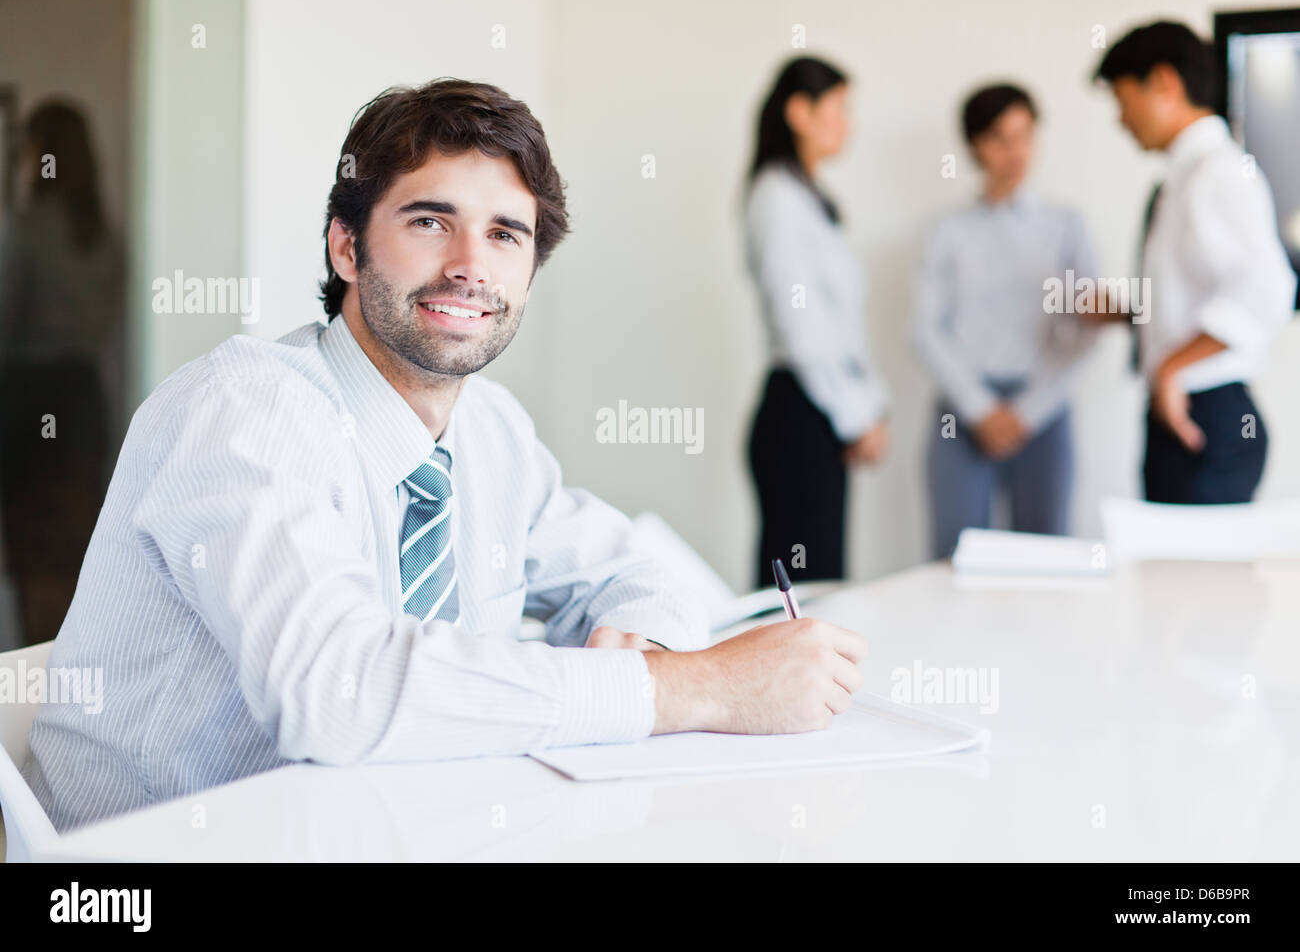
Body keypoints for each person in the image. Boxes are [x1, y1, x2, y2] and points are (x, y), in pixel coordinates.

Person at [22, 79, 867, 832]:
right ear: (346, 248)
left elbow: (642, 567)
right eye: (431, 222)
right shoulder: (247, 410)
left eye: (506, 236)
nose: (471, 267)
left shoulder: (490, 430)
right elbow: (339, 693)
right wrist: (692, 688)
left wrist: (635, 640)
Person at [1093, 21, 1296, 503]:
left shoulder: (1219, 174)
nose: (1120, 121)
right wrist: (1130, 312)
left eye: (1123, 102)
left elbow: (1267, 288)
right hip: (1184, 412)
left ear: (1164, 82)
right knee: (1168, 575)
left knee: (1192, 578)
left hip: (1206, 419)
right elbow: (1201, 293)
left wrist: (1171, 369)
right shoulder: (1182, 180)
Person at [912, 84, 1099, 559]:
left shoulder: (1066, 226)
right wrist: (980, 410)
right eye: (1001, 138)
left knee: (1045, 560)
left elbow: (1084, 332)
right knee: (954, 560)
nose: (1016, 152)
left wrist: (1026, 411)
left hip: (1044, 411)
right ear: (975, 145)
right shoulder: (946, 232)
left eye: (1025, 137)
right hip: (963, 413)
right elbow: (925, 329)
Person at [743, 57, 890, 586]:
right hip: (799, 415)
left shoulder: (810, 198)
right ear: (800, 112)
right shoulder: (776, 199)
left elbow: (844, 327)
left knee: (822, 586)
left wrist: (869, 406)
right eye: (839, 110)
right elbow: (802, 330)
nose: (848, 124)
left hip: (821, 414)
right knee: (801, 598)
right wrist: (858, 417)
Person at [0, 100, 125, 647]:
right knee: (77, 551)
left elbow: (6, 326)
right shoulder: (106, 236)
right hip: (83, 399)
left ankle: (29, 691)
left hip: (28, 399)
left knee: (30, 553)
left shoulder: (25, 230)